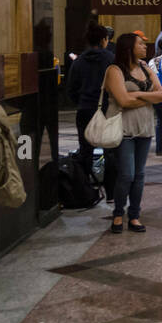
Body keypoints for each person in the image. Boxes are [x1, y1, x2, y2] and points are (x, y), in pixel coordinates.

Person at [103, 33, 162, 233]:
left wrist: (137, 94)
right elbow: (123, 101)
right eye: (140, 43)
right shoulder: (115, 70)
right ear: (129, 47)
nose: (144, 46)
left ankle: (135, 215)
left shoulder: (146, 68)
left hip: (144, 128)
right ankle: (118, 213)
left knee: (139, 174)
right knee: (126, 174)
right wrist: (149, 98)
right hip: (123, 129)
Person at [67, 21, 117, 200]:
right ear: (105, 39)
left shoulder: (79, 61)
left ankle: (85, 190)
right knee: (110, 151)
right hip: (107, 110)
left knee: (85, 151)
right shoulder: (111, 59)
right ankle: (111, 192)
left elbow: (71, 89)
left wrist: (82, 102)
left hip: (85, 110)